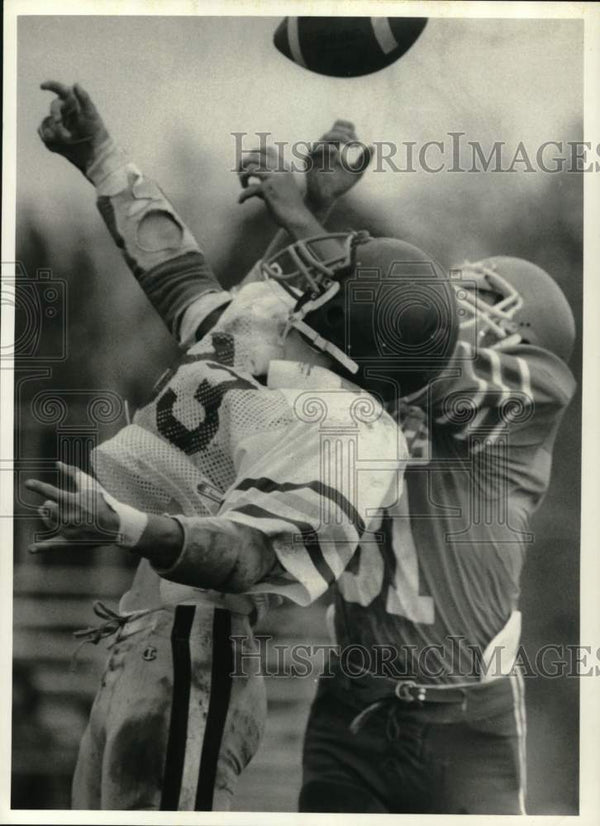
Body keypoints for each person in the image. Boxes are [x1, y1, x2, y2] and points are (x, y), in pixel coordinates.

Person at [72, 95, 577, 815]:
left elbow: (397, 332)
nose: (455, 294)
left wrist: (307, 216)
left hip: (463, 718)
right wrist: (314, 213)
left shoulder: (531, 396)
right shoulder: (365, 383)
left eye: (481, 293)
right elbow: (269, 314)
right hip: (351, 701)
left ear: (530, 336)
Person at [28, 81, 456, 811]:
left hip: (198, 653)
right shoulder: (272, 361)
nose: (307, 265)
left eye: (332, 267)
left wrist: (123, 524)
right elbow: (177, 272)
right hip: (146, 641)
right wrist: (101, 159)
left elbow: (249, 553)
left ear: (340, 311)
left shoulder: (344, 426)